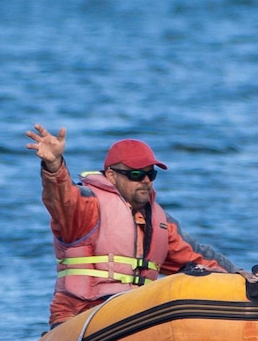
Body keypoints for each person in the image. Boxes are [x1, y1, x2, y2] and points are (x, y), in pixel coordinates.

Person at [26, 125, 229, 327]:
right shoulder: (86, 207)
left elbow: (199, 256)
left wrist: (243, 277)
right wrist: (54, 166)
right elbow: (61, 198)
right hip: (79, 317)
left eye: (151, 174)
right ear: (112, 175)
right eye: (136, 175)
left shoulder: (159, 222)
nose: (146, 181)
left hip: (134, 317)